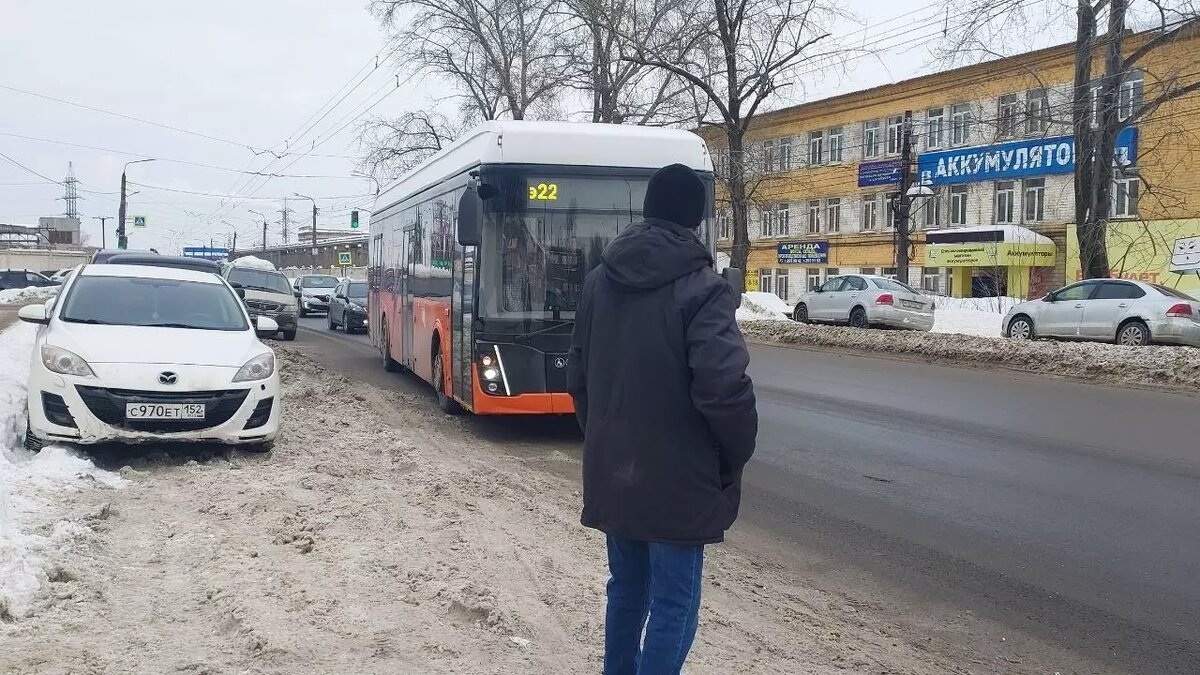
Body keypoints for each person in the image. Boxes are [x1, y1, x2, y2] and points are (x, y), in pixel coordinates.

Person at [566, 163, 758, 674]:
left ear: (648, 210)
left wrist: (606, 439)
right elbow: (725, 391)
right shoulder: (704, 289)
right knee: (674, 601)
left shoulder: (596, 283)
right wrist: (732, 456)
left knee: (626, 591)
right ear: (695, 220)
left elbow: (578, 379)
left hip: (614, 470)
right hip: (680, 481)